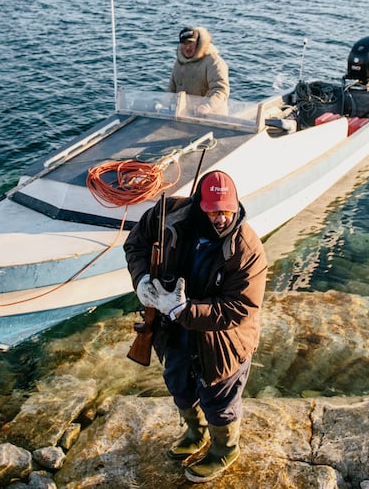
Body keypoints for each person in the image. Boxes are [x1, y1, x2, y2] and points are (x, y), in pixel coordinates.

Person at [124, 171, 268, 483]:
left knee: (220, 401)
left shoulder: (248, 248)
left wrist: (184, 310)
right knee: (179, 386)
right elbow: (135, 244)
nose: (221, 218)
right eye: (214, 210)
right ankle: (195, 433)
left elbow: (240, 309)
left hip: (222, 340)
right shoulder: (166, 214)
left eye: (227, 211)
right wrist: (141, 280)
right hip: (173, 329)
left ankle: (224, 450)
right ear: (198, 204)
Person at [168, 26, 230, 116]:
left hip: (211, 117)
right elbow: (171, 89)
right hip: (185, 116)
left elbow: (221, 89)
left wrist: (208, 106)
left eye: (190, 43)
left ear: (198, 43)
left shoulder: (214, 61)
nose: (187, 47)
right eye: (184, 43)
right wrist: (164, 104)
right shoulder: (179, 63)